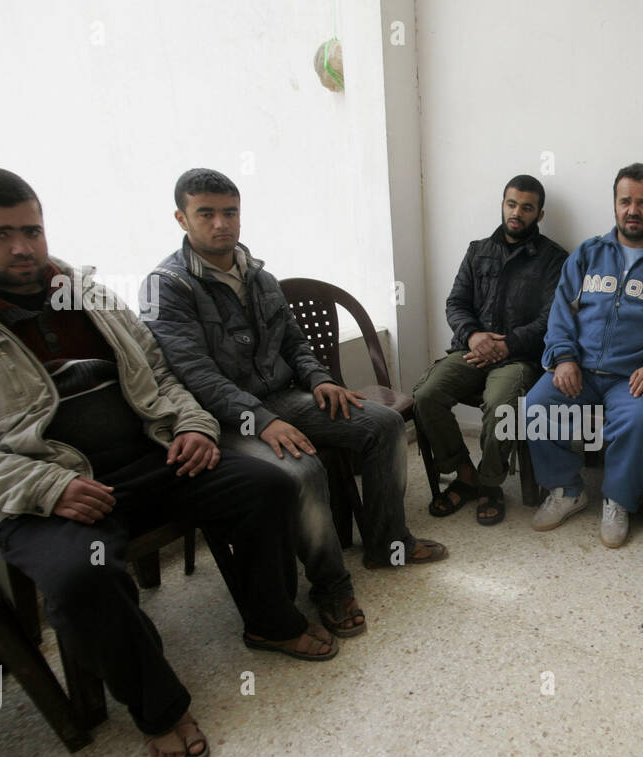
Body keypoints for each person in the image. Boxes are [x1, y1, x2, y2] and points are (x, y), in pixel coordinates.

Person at [0, 166, 338, 757]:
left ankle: (270, 621)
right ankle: (159, 708)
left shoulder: (90, 295)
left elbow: (160, 374)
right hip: (43, 491)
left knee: (266, 485)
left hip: (151, 457)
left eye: (32, 230)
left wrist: (191, 425)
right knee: (80, 578)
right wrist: (47, 485)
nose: (23, 247)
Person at [140, 169, 446, 640]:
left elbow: (294, 343)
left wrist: (320, 380)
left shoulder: (259, 275)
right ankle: (331, 586)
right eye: (206, 214)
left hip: (285, 396)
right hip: (228, 418)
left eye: (230, 212)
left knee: (383, 424)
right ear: (182, 218)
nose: (222, 223)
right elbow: (195, 375)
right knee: (303, 469)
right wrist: (261, 421)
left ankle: (388, 544)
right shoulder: (167, 286)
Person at [526, 163, 643, 548]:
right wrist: (564, 358)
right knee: (536, 407)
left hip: (633, 378)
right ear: (614, 205)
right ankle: (566, 490)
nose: (633, 210)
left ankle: (618, 501)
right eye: (625, 201)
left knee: (639, 421)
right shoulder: (588, 254)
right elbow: (560, 312)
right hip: (580, 370)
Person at [412, 174, 568, 524]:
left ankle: (490, 482)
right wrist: (472, 336)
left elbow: (551, 319)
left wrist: (506, 344)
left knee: (500, 404)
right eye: (511, 204)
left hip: (520, 357)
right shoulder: (477, 250)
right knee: (426, 394)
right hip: (471, 350)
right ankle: (464, 472)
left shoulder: (554, 259)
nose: (517, 213)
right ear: (502, 205)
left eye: (527, 208)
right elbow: (456, 303)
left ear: (539, 215)